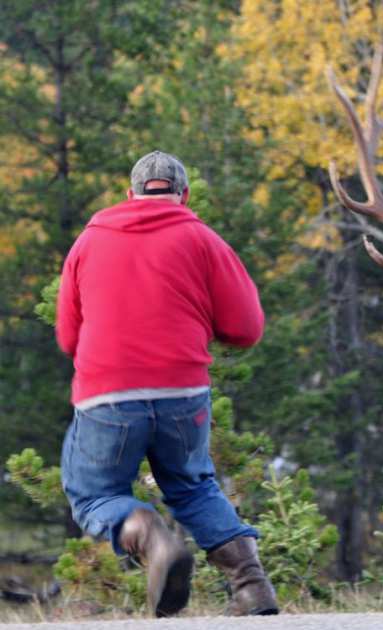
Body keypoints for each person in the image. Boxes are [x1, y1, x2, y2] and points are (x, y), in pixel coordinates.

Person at [55, 150, 279, 617]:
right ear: (184, 194)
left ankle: (149, 536)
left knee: (96, 494)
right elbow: (247, 328)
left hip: (108, 393)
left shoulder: (89, 241)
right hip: (183, 391)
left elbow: (67, 335)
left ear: (130, 193)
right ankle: (251, 586)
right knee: (195, 487)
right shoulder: (202, 239)